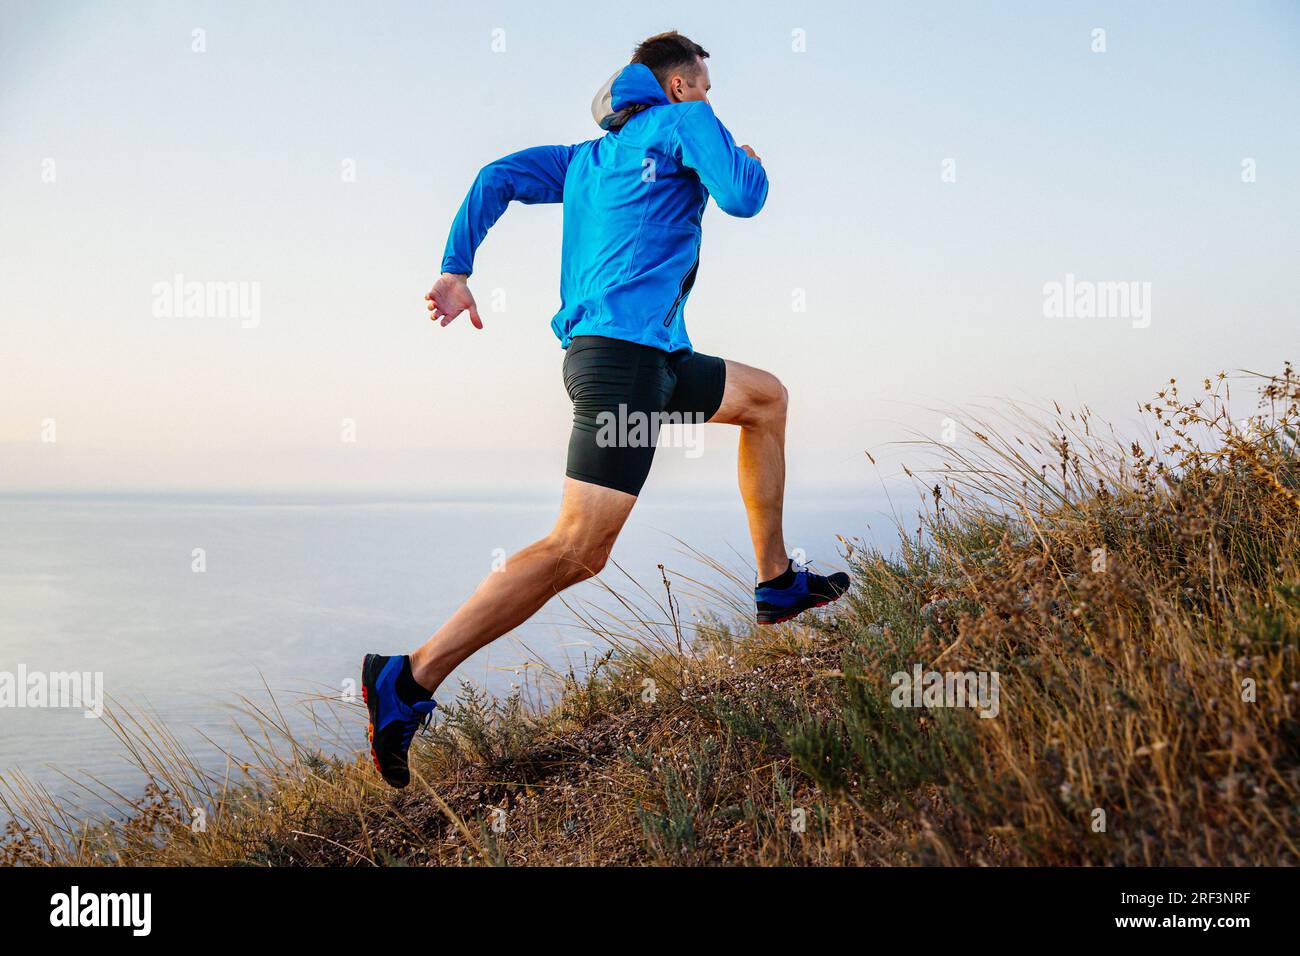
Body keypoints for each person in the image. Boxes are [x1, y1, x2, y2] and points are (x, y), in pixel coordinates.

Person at [363, 31, 849, 788]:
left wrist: (456, 266)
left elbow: (496, 176)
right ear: (681, 86)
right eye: (705, 86)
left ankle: (777, 577)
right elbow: (744, 198)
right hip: (624, 367)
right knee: (578, 549)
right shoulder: (688, 123)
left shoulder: (586, 160)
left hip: (648, 360)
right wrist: (745, 157)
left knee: (764, 399)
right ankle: (409, 677)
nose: (709, 98)